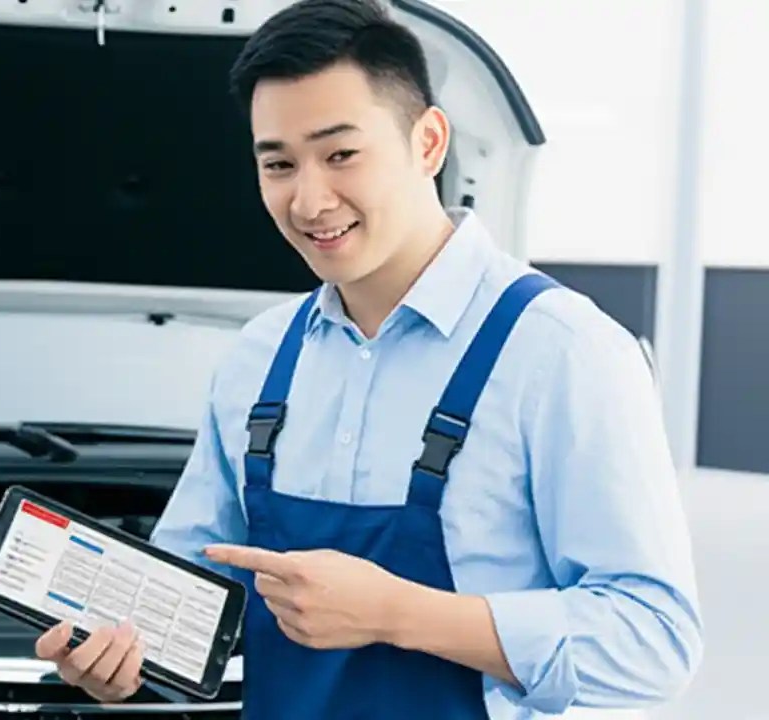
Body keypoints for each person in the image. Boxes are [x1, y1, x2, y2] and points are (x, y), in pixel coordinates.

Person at [34, 0, 703, 717]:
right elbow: (192, 596)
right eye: (279, 164)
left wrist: (397, 614)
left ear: (429, 143)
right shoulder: (259, 359)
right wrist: (121, 658)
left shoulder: (563, 353)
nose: (310, 199)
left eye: (341, 154)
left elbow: (654, 641)